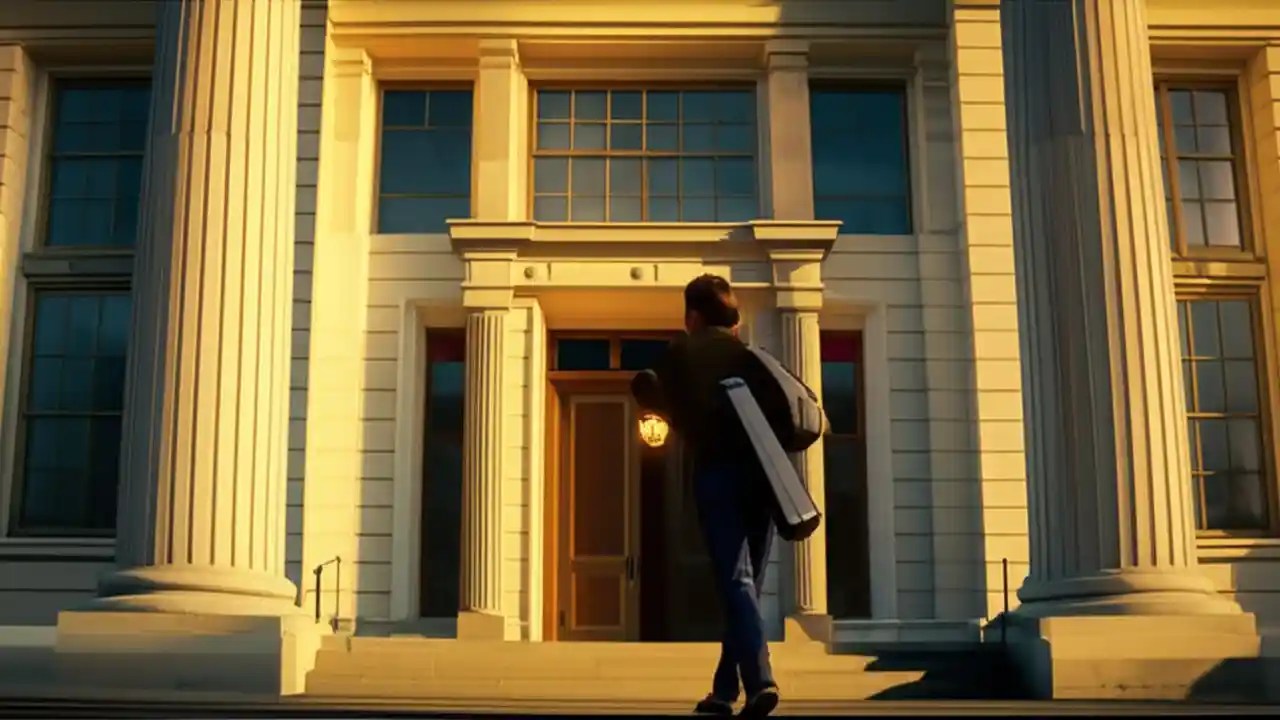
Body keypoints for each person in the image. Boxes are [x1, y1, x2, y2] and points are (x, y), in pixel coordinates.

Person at [631, 274, 782, 718]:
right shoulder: (751, 357)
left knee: (736, 580)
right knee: (747, 584)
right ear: (733, 319)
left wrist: (666, 413)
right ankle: (724, 691)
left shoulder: (682, 353)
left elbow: (647, 388)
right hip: (766, 478)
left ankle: (760, 681)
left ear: (692, 316)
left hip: (719, 475)